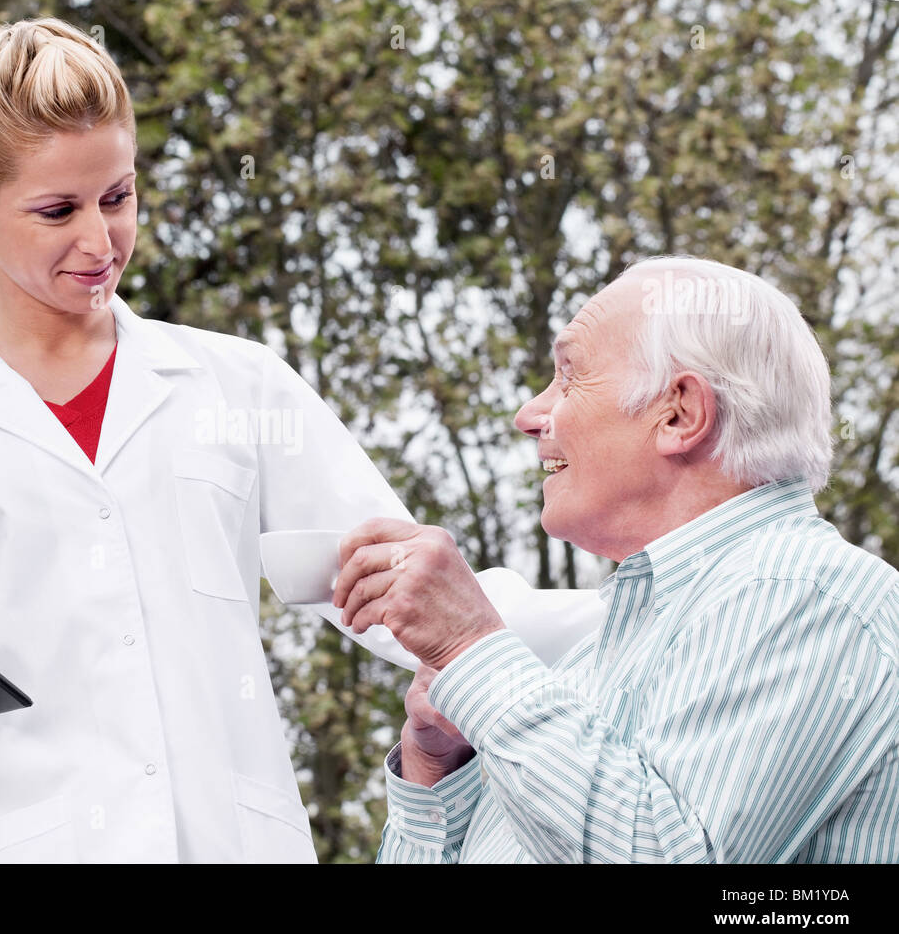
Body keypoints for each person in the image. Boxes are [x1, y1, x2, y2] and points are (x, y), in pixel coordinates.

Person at [0, 17, 603, 863]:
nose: (100, 241)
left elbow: (409, 596)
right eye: (57, 210)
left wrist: (635, 613)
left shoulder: (240, 387)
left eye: (118, 197)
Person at [334, 255, 899, 862]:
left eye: (570, 376)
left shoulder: (811, 594)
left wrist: (469, 647)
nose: (528, 416)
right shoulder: (585, 664)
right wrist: (434, 770)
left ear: (679, 413)